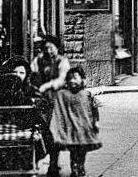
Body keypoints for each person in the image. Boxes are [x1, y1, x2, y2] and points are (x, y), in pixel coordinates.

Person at [31, 35, 72, 176]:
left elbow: (61, 80)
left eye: (51, 48)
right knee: (41, 133)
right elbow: (33, 74)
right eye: (46, 48)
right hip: (41, 101)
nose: (49, 50)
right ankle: (36, 163)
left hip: (57, 101)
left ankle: (53, 164)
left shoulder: (63, 61)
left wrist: (46, 86)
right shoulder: (39, 61)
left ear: (57, 48)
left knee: (54, 134)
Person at [49, 67, 101, 177]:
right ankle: (61, 166)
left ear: (82, 80)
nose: (72, 81)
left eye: (75, 78)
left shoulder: (87, 95)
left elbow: (94, 109)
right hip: (68, 127)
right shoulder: (63, 94)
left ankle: (79, 166)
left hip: (83, 127)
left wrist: (96, 122)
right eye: (70, 78)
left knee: (81, 149)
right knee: (65, 147)